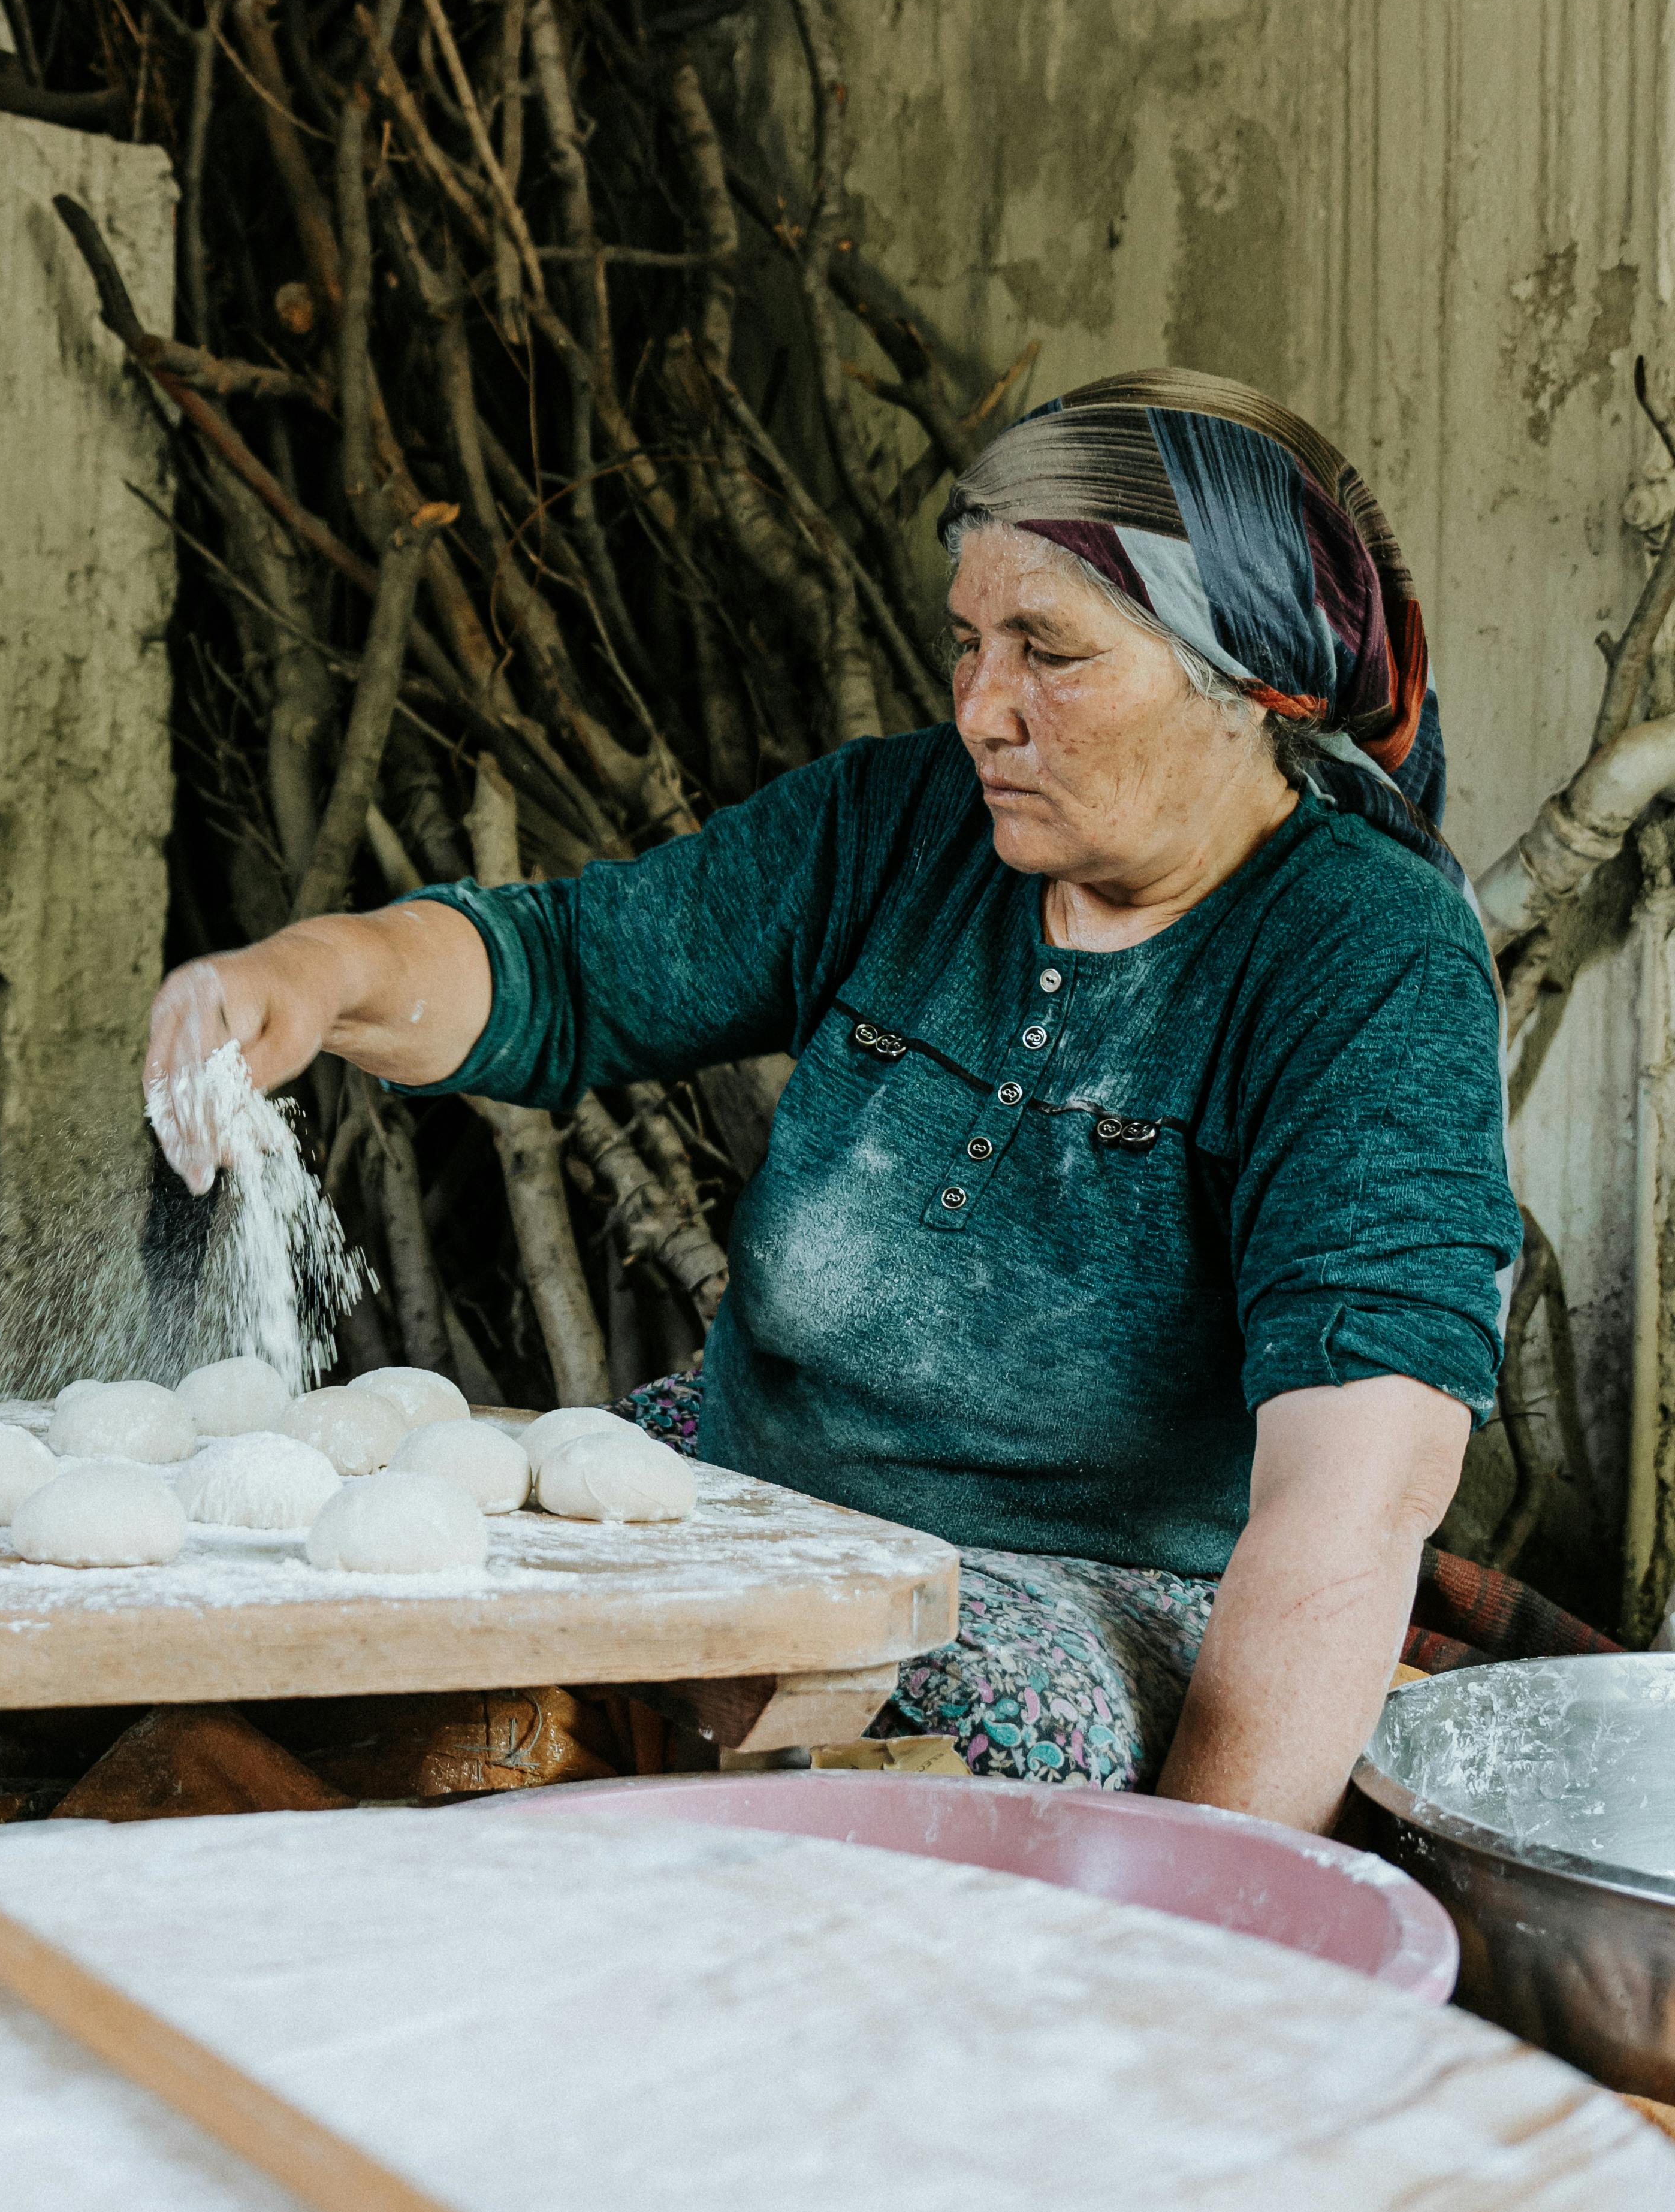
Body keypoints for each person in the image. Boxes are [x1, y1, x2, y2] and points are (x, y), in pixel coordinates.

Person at [145, 370, 1520, 1829]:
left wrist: (1200, 1914)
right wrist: (311, 978)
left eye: (1048, 651)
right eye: (966, 643)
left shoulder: (1365, 961)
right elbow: (564, 968)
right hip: (751, 1488)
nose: (982, 709)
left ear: (1246, 682)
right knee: (375, 1625)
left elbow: (1346, 1505)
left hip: (1080, 1593)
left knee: (891, 1785)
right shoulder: (895, 825)